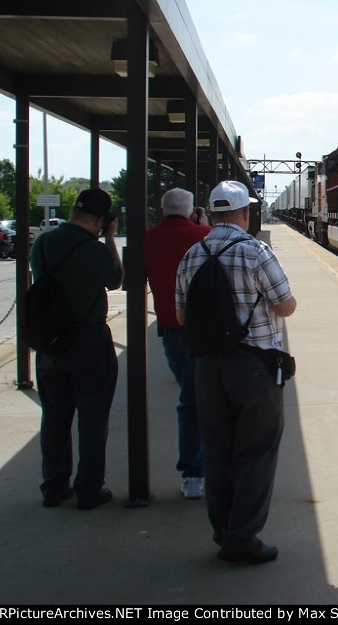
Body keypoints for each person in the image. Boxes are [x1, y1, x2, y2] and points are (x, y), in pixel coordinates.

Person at [175, 180, 297, 564]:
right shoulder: (256, 251)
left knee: (217, 450)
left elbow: (181, 316)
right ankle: (243, 536)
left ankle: (222, 531)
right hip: (255, 367)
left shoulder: (192, 255)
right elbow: (286, 306)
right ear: (246, 213)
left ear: (211, 213)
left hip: (208, 367)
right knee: (256, 450)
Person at [30, 188, 123, 510]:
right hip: (89, 340)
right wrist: (111, 240)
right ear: (101, 220)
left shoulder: (42, 242)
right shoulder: (93, 248)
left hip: (50, 341)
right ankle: (88, 489)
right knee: (93, 417)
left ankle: (54, 487)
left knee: (54, 416)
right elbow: (115, 279)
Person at [143, 188, 211, 500]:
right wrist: (203, 223)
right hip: (208, 331)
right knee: (208, 400)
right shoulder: (205, 234)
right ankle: (207, 469)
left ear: (161, 210)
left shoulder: (149, 238)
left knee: (189, 397)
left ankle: (193, 474)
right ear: (191, 211)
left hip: (171, 329)